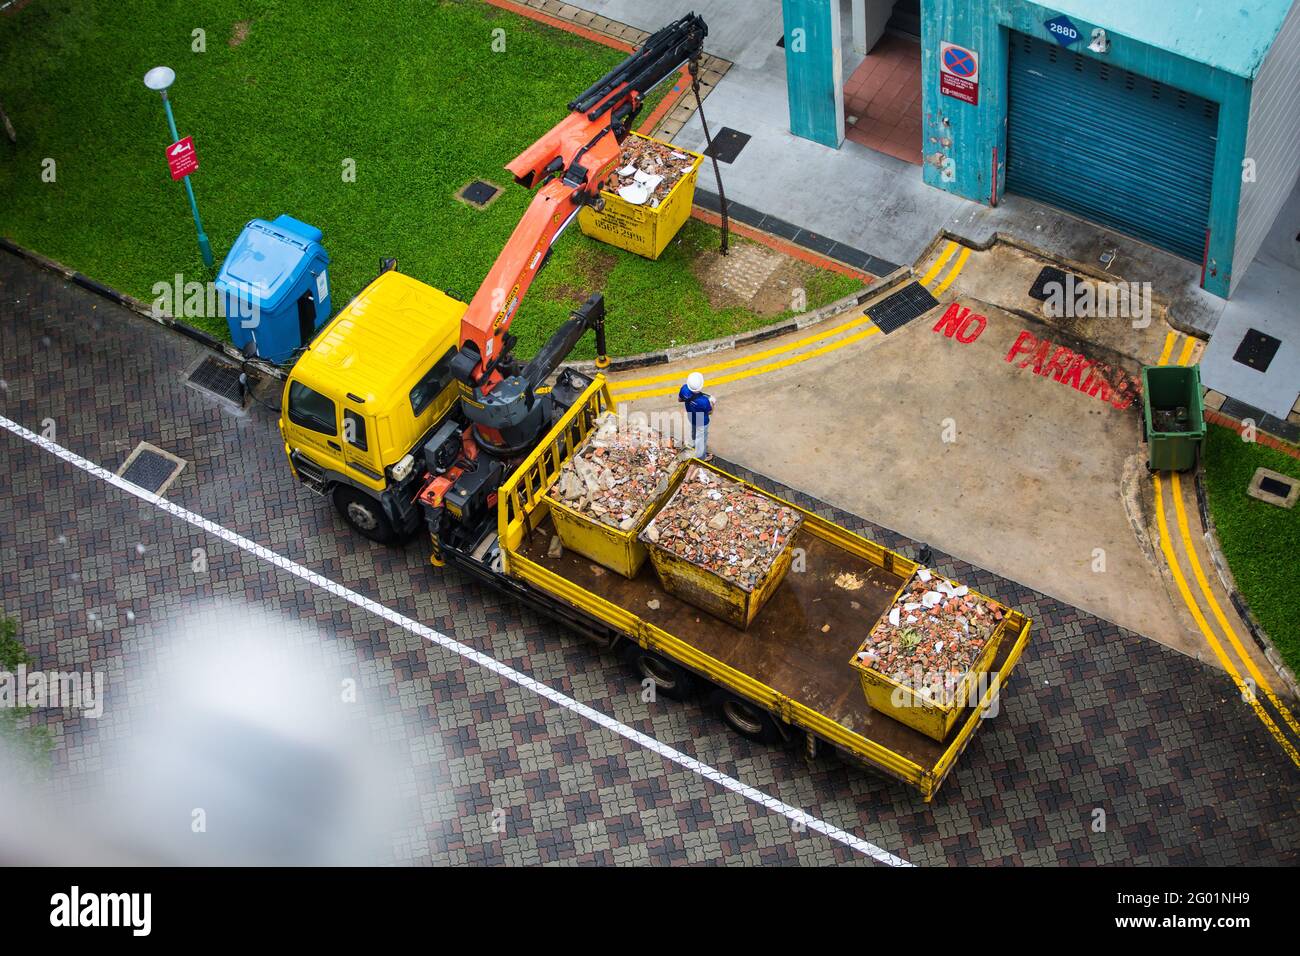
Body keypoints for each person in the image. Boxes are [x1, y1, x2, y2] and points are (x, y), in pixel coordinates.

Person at [678, 371, 715, 461]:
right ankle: (701, 457)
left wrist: (690, 401)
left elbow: (680, 399)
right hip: (702, 421)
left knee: (694, 431)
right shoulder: (704, 401)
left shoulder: (684, 389)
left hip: (691, 415)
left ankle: (693, 444)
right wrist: (712, 403)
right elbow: (710, 412)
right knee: (701, 439)